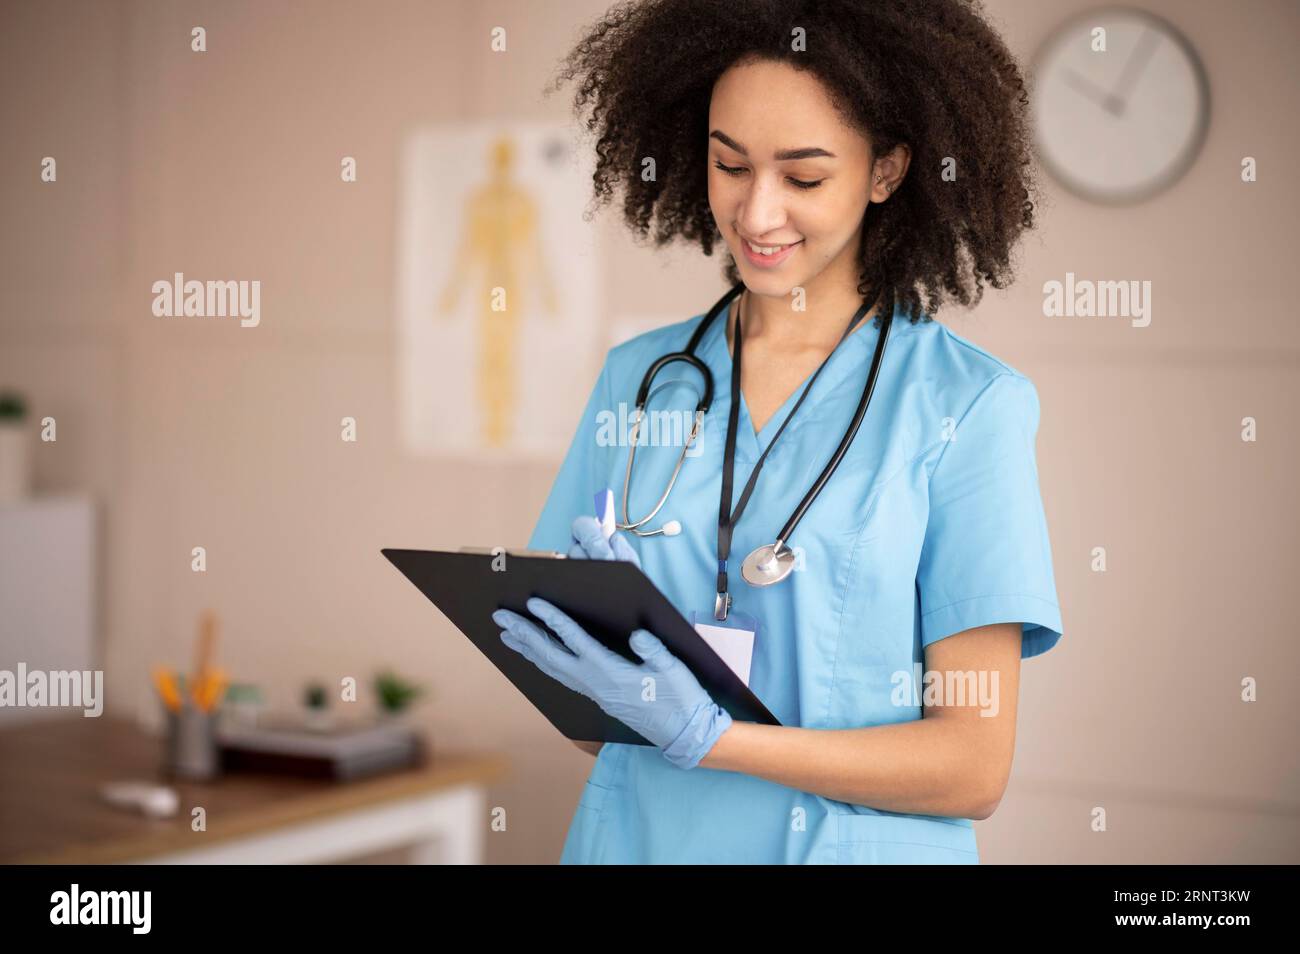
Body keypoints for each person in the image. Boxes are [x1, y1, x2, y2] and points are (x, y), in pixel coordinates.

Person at [491, 0, 1063, 864]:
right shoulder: (641, 382)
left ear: (887, 170)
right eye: (731, 165)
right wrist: (594, 667)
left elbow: (970, 767)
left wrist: (707, 735)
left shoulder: (967, 406)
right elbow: (591, 718)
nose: (756, 215)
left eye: (803, 178)